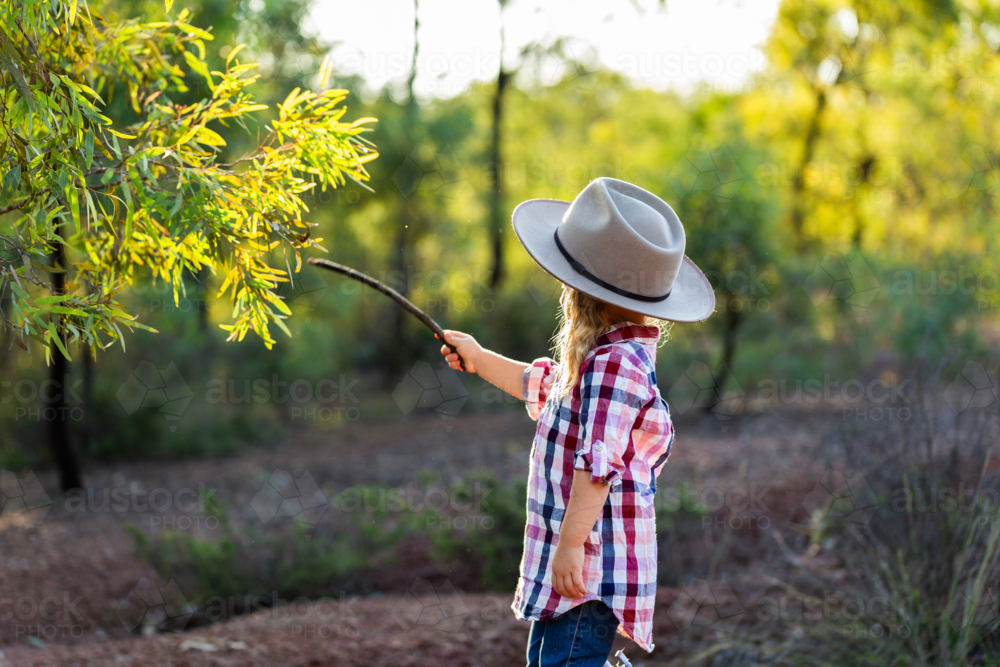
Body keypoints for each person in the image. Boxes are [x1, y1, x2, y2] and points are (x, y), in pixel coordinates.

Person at [438, 177, 715, 666]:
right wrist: (478, 358)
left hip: (588, 566)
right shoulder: (605, 359)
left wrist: (571, 547)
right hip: (572, 563)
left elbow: (598, 466)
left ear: (584, 293)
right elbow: (544, 388)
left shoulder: (615, 366)